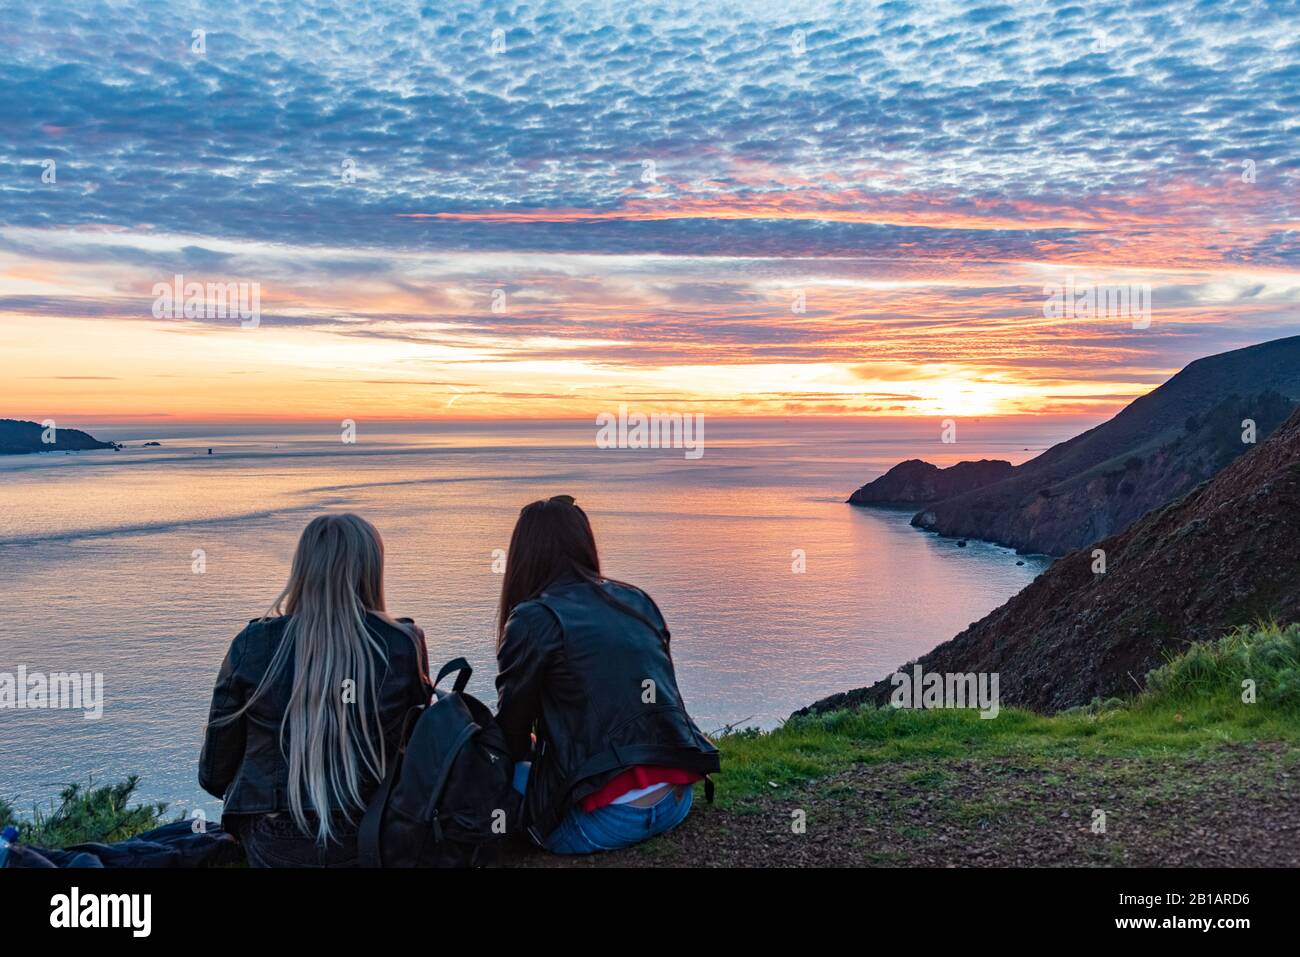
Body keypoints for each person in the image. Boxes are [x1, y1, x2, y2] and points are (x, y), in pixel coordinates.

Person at [199, 513, 430, 867]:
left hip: (273, 838)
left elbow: (214, 774)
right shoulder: (402, 645)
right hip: (371, 831)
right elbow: (417, 750)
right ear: (371, 569)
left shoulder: (252, 645)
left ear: (302, 568)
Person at [496, 495, 720, 854]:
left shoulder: (533, 618)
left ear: (522, 555)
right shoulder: (635, 600)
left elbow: (510, 735)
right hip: (677, 800)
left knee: (499, 778)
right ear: (584, 543)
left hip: (606, 821)